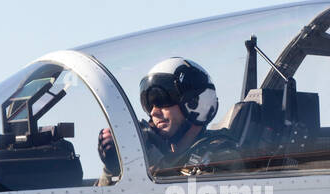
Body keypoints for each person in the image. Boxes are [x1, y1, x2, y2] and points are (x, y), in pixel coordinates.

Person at [97, 57, 241, 184]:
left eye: (161, 101)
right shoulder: (165, 156)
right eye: (149, 105)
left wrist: (151, 160)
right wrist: (114, 167)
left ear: (194, 103)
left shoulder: (223, 153)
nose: (154, 112)